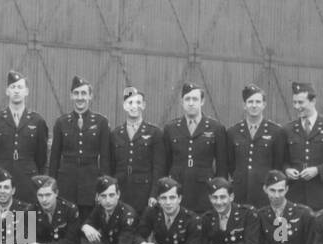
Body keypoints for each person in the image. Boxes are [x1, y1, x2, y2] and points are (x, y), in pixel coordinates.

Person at [48, 76, 111, 218]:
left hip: (91, 184)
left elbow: (105, 158)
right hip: (66, 184)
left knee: (88, 227)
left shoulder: (101, 122)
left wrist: (103, 188)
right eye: (76, 93)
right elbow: (54, 159)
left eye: (84, 93)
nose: (80, 97)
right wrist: (51, 186)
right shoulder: (61, 122)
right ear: (71, 96)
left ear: (90, 96)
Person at [0, 70, 48, 204]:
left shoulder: (37, 121)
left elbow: (41, 158)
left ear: (27, 91)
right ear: (7, 91)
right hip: (1, 181)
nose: (16, 91)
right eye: (13, 87)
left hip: (27, 181)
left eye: (20, 87)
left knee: (27, 220)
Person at [162, 81, 227, 213]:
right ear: (182, 102)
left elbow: (222, 166)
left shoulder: (216, 128)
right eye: (187, 99)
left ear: (202, 102)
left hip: (204, 191)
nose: (191, 103)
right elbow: (166, 163)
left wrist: (219, 191)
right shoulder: (171, 128)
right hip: (178, 189)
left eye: (195, 99)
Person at [284, 80, 323, 211]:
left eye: (301, 102)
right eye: (294, 102)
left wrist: (318, 170)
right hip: (295, 198)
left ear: (313, 101)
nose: (296, 106)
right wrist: (287, 170)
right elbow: (282, 161)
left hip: (322, 197)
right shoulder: (288, 129)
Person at [225, 84, 287, 205]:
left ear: (264, 105)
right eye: (250, 102)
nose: (254, 105)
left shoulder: (276, 131)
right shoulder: (233, 132)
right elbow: (231, 164)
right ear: (244, 105)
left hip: (265, 193)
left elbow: (278, 164)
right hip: (240, 192)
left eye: (258, 102)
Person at [109, 86, 166, 217]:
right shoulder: (115, 134)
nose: (134, 106)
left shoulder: (154, 133)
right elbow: (112, 167)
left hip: (144, 194)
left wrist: (154, 194)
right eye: (130, 102)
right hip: (121, 192)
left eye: (138, 102)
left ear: (144, 105)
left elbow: (158, 168)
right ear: (124, 106)